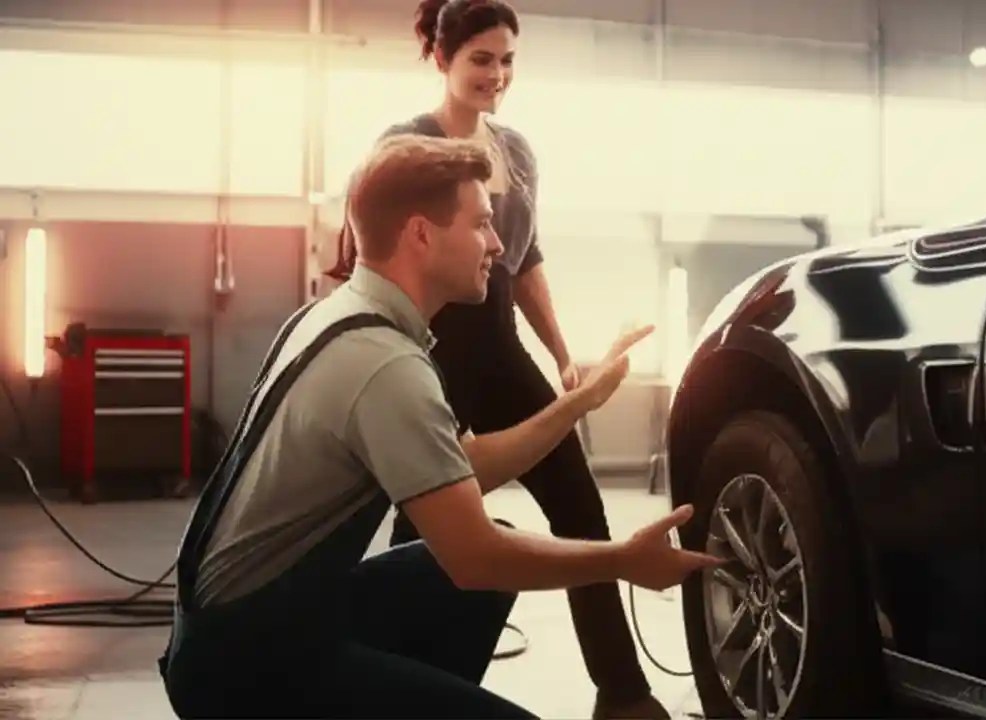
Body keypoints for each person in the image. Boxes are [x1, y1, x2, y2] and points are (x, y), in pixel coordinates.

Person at [157, 134, 719, 719]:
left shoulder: (334, 316)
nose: (497, 245)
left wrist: (578, 403)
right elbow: (475, 558)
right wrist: (623, 560)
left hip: (242, 623)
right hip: (243, 661)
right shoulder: (386, 366)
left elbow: (458, 467)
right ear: (421, 235)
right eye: (481, 224)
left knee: (466, 581)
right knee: (481, 567)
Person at [327, 2, 672, 717]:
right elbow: (369, 254)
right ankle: (413, 691)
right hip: (428, 353)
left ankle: (623, 692)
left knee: (579, 504)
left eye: (508, 59)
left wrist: (563, 355)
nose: (498, 74)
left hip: (503, 350)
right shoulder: (405, 144)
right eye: (481, 59)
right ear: (442, 59)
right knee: (429, 531)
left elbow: (524, 260)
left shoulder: (516, 151)